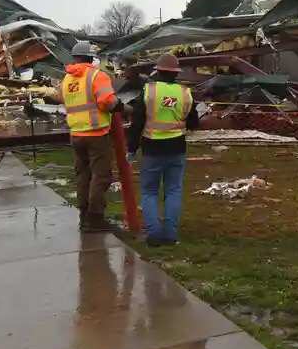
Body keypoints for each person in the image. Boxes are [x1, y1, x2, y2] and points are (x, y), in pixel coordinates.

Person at [126, 54, 198, 246]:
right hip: (177, 147)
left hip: (152, 148)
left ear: (157, 71)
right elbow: (194, 122)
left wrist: (131, 149)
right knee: (173, 190)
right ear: (176, 73)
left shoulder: (149, 90)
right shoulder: (185, 92)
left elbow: (137, 122)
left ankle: (154, 234)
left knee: (149, 191)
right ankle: (170, 235)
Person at [58, 41, 123, 232]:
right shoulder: (97, 75)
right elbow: (108, 102)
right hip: (96, 134)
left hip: (76, 134)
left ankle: (84, 216)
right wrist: (123, 107)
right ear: (90, 57)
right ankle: (95, 220)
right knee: (100, 176)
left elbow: (61, 99)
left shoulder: (67, 79)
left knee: (83, 176)